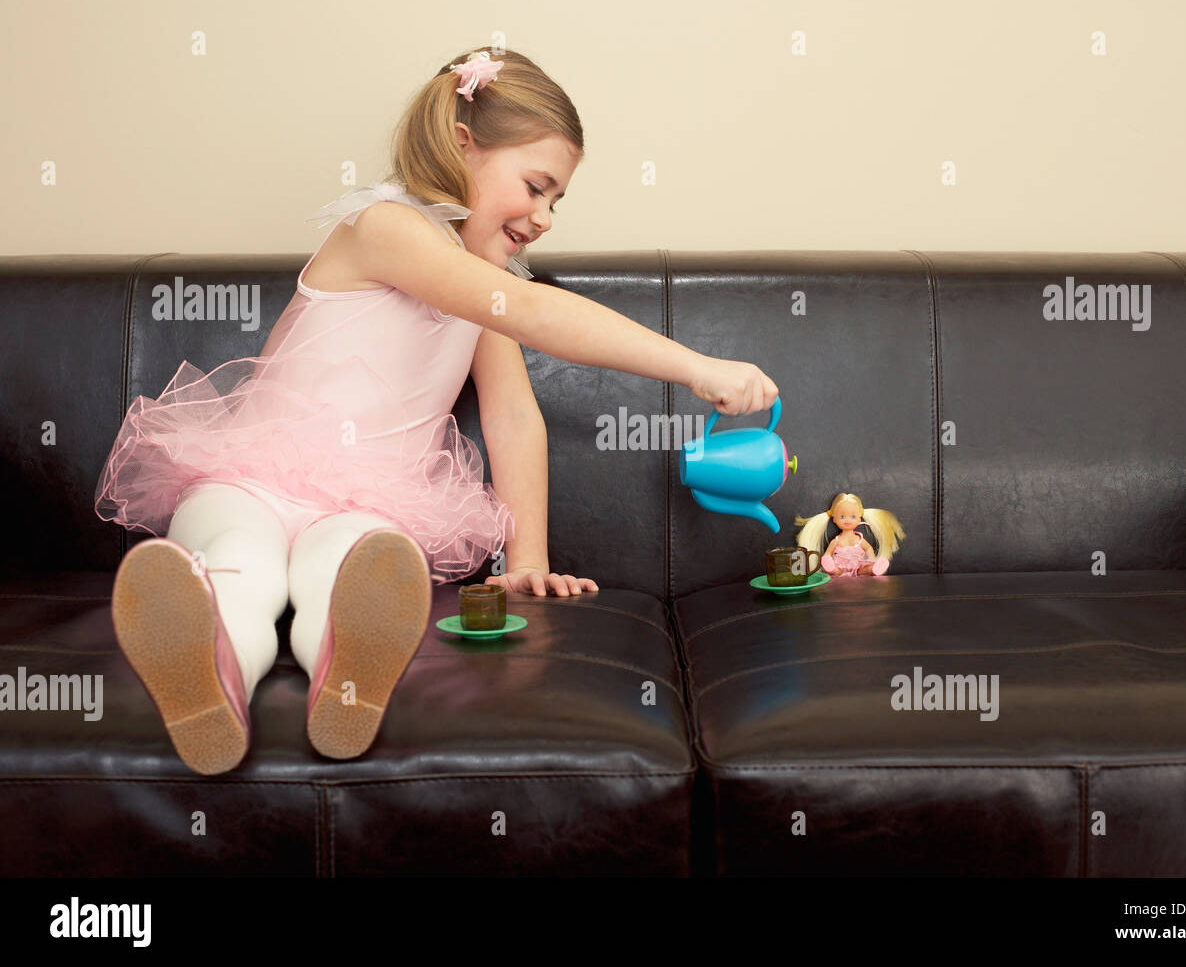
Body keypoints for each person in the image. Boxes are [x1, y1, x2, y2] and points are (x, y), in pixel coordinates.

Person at [93, 47, 779, 775]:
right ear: (462, 144)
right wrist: (697, 368)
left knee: (346, 573)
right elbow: (534, 312)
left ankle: (348, 678)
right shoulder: (385, 226)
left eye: (558, 201)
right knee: (242, 561)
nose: (545, 217)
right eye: (536, 186)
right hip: (250, 479)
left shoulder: (480, 283)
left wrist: (529, 561)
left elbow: (514, 415)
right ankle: (208, 670)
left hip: (367, 503)